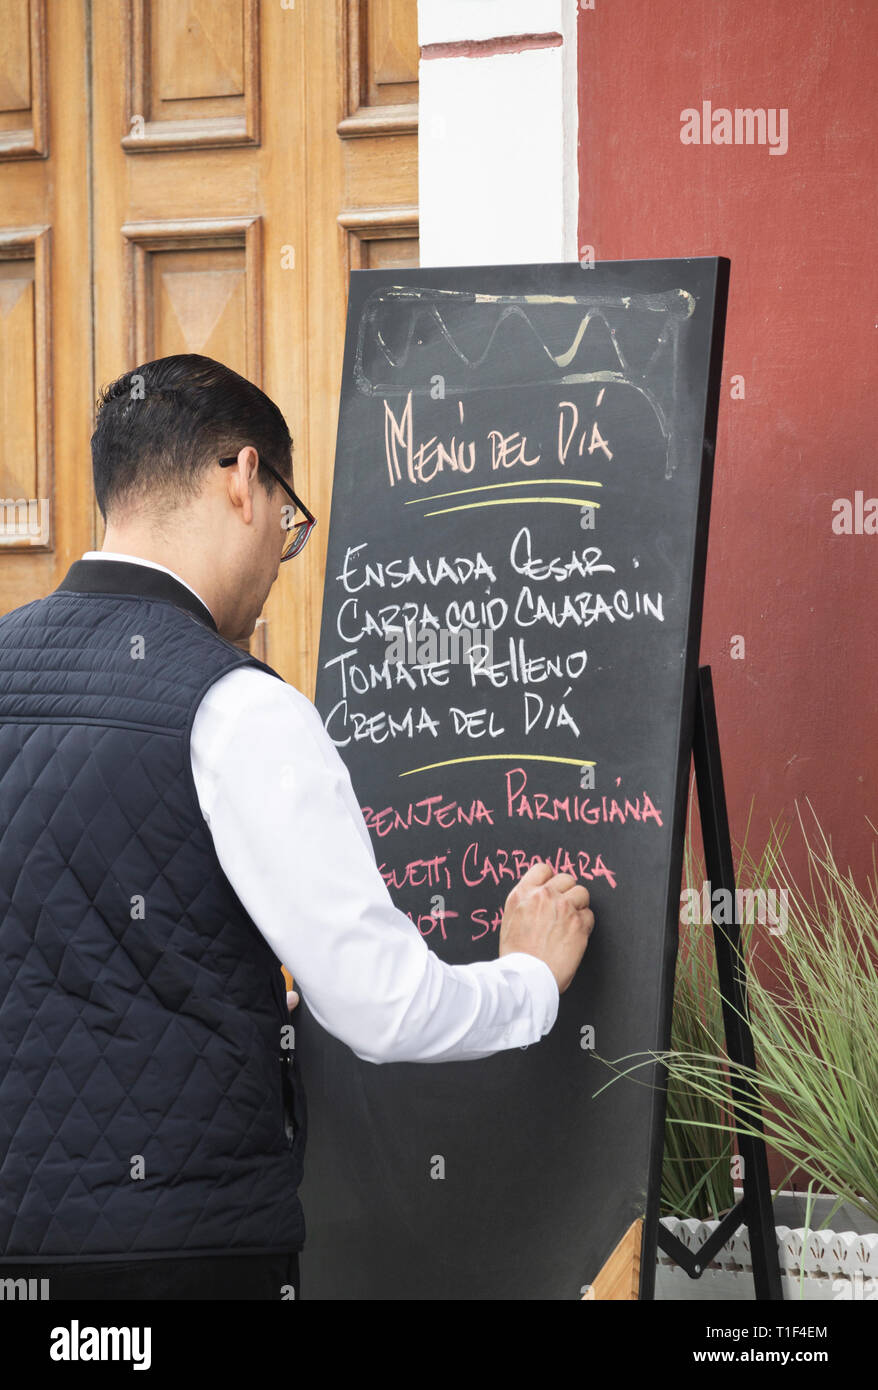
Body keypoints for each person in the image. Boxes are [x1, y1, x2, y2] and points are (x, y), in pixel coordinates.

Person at [0, 355, 594, 1301]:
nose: (282, 561)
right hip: (177, 1254)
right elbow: (381, 1006)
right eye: (289, 524)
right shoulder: (236, 706)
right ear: (245, 480)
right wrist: (528, 978)